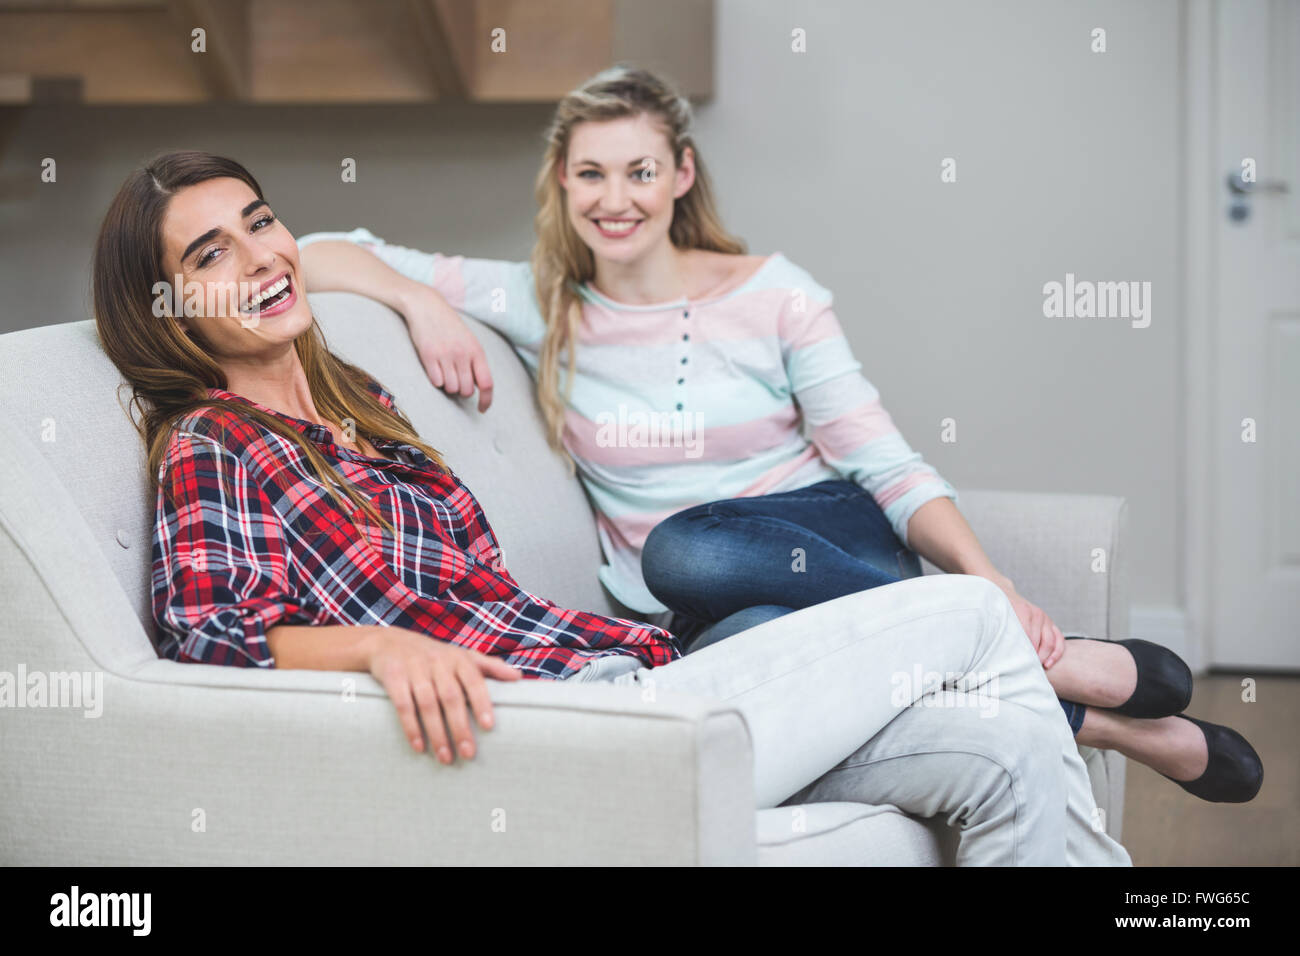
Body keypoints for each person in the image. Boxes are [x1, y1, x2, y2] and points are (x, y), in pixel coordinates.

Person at [93, 149, 1135, 864]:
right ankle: (1075, 665)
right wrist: (373, 650)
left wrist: (411, 300)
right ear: (165, 308)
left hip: (632, 675)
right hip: (570, 730)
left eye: (258, 222)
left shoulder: (362, 404)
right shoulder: (211, 442)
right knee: (967, 610)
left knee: (1006, 741)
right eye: (208, 254)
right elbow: (206, 641)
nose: (261, 256)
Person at [297, 66, 1262, 805]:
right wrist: (415, 299)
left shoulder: (774, 293)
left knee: (688, 545)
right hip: (701, 612)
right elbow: (315, 251)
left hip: (822, 533)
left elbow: (884, 460)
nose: (615, 198)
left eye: (639, 169)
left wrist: (991, 581)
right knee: (740, 654)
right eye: (590, 172)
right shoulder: (538, 301)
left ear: (680, 173)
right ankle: (1106, 722)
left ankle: (993, 630)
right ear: (562, 179)